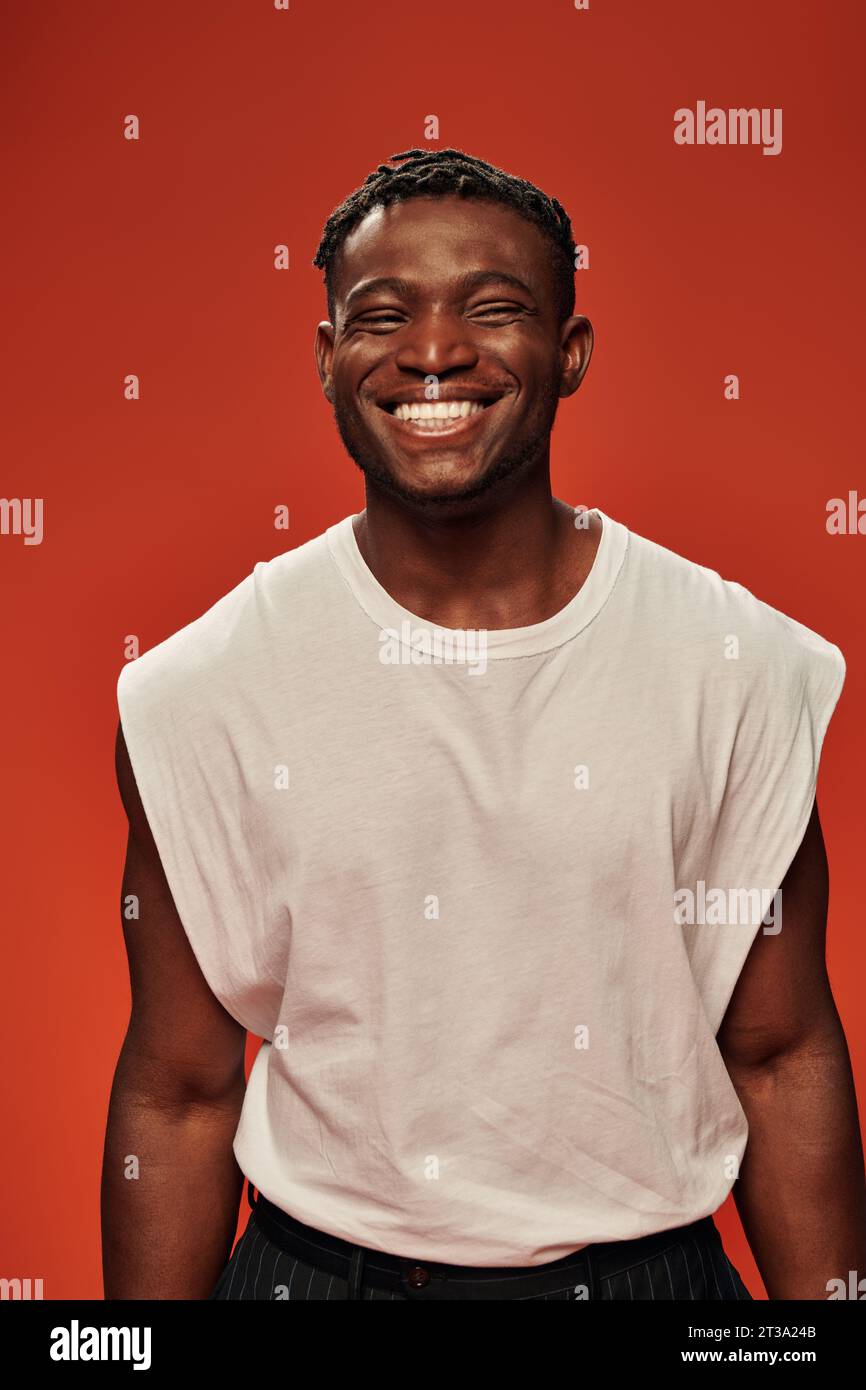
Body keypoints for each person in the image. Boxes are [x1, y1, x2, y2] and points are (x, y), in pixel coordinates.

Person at [102, 149, 864, 1301]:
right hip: (318, 1278)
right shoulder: (203, 687)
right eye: (383, 315)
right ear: (326, 358)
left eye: (491, 308)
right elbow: (178, 1090)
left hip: (646, 1282)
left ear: (570, 351)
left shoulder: (735, 663)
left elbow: (778, 1048)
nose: (433, 351)